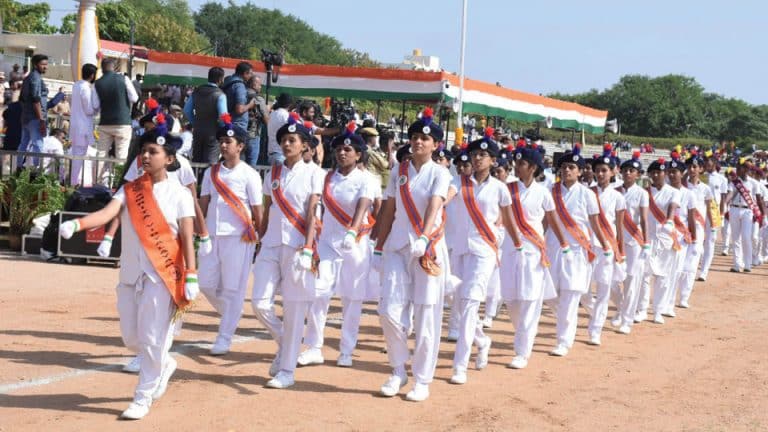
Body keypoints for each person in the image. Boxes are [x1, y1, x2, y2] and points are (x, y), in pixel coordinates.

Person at [58, 127, 198, 420]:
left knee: (149, 338)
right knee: (132, 339)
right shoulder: (131, 189)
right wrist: (78, 225)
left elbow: (187, 236)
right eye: (143, 151)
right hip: (131, 274)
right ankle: (165, 363)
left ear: (169, 159)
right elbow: (108, 213)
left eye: (153, 152)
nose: (145, 156)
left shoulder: (180, 194)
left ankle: (142, 396)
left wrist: (192, 275)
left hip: (161, 276)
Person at [373, 107, 452, 402]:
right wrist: (378, 247)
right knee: (388, 311)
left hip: (427, 249)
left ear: (435, 145)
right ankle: (397, 369)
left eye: (425, 138)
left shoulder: (440, 173)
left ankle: (422, 379)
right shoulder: (399, 170)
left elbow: (434, 205)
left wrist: (423, 236)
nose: (419, 142)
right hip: (397, 245)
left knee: (426, 315)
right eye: (415, 137)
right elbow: (389, 210)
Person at [251, 114, 323, 389]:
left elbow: (312, 211)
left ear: (305, 145)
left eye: (292, 140)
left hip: (296, 247)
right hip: (271, 244)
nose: (286, 144)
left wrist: (308, 246)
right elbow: (268, 210)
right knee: (260, 302)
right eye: (283, 140)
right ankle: (284, 341)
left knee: (293, 310)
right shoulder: (273, 173)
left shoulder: (316, 174)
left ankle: (287, 370)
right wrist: (259, 240)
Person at [445, 129, 522, 385]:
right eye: (474, 154)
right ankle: (482, 340)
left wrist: (518, 245)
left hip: (484, 252)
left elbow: (509, 219)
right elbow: (445, 199)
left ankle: (460, 366)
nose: (477, 159)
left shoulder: (500, 188)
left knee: (469, 303)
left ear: (493, 160)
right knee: (457, 301)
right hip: (458, 250)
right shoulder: (458, 183)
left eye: (483, 155)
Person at [298, 122, 375, 368]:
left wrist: (353, 231)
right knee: (318, 293)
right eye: (339, 149)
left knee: (352, 299)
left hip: (356, 244)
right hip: (329, 244)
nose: (343, 153)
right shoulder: (325, 177)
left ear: (358, 155)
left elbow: (364, 205)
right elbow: (315, 208)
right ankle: (314, 347)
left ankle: (346, 350)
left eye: (348, 150)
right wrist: (309, 246)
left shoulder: (367, 180)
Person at [198, 115, 263, 356]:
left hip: (239, 237)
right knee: (205, 283)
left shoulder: (249, 174)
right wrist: (198, 229)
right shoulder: (210, 173)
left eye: (229, 141)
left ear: (241, 146)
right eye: (222, 141)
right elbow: (202, 203)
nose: (224, 145)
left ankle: (225, 336)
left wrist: (261, 240)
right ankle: (232, 313)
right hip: (212, 234)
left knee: (233, 289)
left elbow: (258, 210)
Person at [501, 142, 566, 369]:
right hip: (510, 249)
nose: (517, 167)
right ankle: (524, 332)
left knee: (529, 299)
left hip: (532, 251)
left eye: (522, 164)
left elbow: (551, 220)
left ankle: (522, 350)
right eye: (516, 163)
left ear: (533, 168)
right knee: (510, 298)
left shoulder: (543, 193)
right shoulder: (508, 189)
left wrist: (562, 242)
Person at [546, 145, 610, 357]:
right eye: (564, 167)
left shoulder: (587, 195)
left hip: (577, 251)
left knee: (571, 295)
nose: (567, 170)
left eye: (572, 167)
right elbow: (545, 221)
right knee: (550, 294)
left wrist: (606, 246)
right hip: (553, 247)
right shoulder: (551, 192)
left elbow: (595, 224)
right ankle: (582, 316)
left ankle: (564, 341)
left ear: (581, 171)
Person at [584, 150, 626, 346]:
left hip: (607, 248)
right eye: (597, 171)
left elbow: (619, 226)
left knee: (603, 288)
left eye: (604, 170)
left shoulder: (618, 197)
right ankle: (606, 312)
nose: (600, 174)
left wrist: (621, 251)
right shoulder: (587, 193)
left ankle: (595, 329)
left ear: (612, 172)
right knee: (583, 290)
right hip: (586, 247)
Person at [635, 158, 680, 324]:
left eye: (659, 172)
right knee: (645, 275)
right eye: (652, 172)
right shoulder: (645, 192)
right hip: (647, 238)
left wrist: (669, 220)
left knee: (663, 277)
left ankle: (658, 311)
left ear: (665, 173)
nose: (655, 175)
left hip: (665, 238)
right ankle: (641, 310)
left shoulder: (673, 192)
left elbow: (673, 207)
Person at [611, 151, 649, 334]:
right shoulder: (614, 191)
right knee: (611, 280)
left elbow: (643, 218)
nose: (627, 173)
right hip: (615, 240)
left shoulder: (642, 193)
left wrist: (646, 243)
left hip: (634, 240)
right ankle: (620, 308)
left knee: (631, 280)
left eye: (631, 170)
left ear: (638, 174)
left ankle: (627, 319)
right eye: (625, 170)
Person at [673, 152, 712, 309]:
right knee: (677, 262)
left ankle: (684, 297)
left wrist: (713, 228)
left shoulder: (705, 189)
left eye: (695, 167)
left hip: (698, 229)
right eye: (689, 166)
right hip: (681, 228)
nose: (692, 169)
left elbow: (710, 210)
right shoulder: (680, 186)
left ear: (701, 169)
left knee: (692, 262)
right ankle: (671, 296)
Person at [93, 58, 139, 178]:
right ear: (114, 67)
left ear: (102, 68)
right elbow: (134, 98)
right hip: (123, 123)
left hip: (105, 123)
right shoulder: (124, 79)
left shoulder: (97, 83)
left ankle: (95, 182)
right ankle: (119, 184)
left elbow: (95, 105)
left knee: (101, 154)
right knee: (121, 156)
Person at [724, 157, 765, 273]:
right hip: (734, 209)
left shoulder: (754, 183)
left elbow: (759, 200)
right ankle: (737, 264)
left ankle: (747, 264)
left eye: (740, 167)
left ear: (746, 169)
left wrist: (763, 216)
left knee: (746, 237)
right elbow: (730, 194)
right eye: (737, 167)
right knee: (735, 238)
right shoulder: (734, 182)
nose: (737, 169)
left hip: (748, 211)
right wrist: (725, 203)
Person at [183, 67, 227, 164]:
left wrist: (195, 122)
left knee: (196, 161)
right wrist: (221, 127)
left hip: (198, 131)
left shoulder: (196, 92)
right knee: (210, 163)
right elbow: (224, 117)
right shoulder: (220, 95)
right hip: (213, 133)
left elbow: (186, 110)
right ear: (220, 79)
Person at [698, 152, 728, 281]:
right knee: (699, 239)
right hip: (700, 209)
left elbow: (723, 198)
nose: (707, 166)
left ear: (715, 164)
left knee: (710, 241)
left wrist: (721, 214)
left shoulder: (722, 179)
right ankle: (699, 262)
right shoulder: (701, 176)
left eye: (709, 164)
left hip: (714, 209)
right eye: (705, 164)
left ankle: (704, 271)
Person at [69, 63, 99, 186]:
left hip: (76, 125)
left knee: (77, 155)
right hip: (83, 127)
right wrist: (97, 107)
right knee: (79, 157)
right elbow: (89, 110)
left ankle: (75, 182)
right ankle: (74, 184)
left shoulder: (76, 85)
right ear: (92, 75)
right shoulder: (86, 88)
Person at [18, 54, 49, 166]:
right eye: (43, 64)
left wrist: (26, 113)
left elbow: (21, 99)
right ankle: (36, 173)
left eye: (46, 64)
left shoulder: (27, 78)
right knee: (38, 145)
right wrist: (41, 120)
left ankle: (18, 168)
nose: (45, 67)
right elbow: (36, 99)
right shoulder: (35, 78)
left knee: (23, 144)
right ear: (35, 65)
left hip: (26, 118)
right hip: (35, 118)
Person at [222, 62, 257, 152]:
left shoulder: (227, 82)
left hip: (227, 123)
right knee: (237, 154)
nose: (251, 76)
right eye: (250, 73)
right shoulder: (240, 86)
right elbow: (239, 109)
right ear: (245, 73)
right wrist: (250, 105)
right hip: (238, 126)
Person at [244, 75, 268, 167]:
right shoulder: (258, 98)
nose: (260, 87)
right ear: (254, 85)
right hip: (253, 134)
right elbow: (266, 120)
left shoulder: (240, 95)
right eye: (259, 85)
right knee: (251, 164)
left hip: (238, 133)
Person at [266, 93, 293, 165]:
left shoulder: (272, 114)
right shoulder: (286, 116)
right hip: (281, 155)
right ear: (290, 105)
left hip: (271, 154)